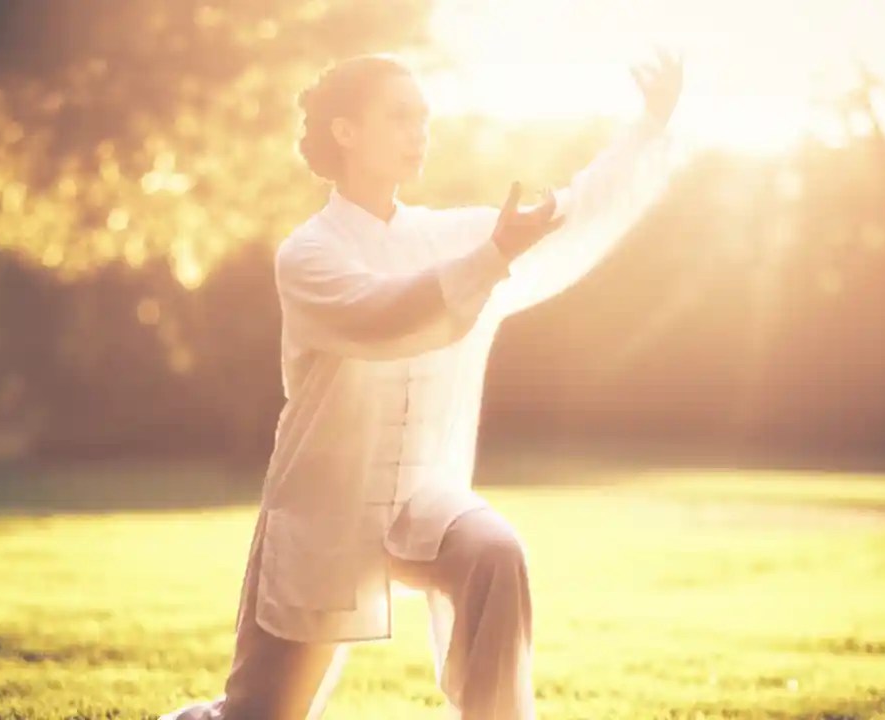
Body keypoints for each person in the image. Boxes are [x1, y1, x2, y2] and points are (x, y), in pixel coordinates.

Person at [162, 48, 683, 720]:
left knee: (495, 552)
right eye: (401, 116)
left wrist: (646, 129)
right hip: (324, 508)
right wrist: (493, 256)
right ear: (345, 131)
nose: (420, 133)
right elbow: (383, 316)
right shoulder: (309, 253)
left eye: (425, 119)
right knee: (257, 715)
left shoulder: (449, 235)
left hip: (424, 500)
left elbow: (571, 214)